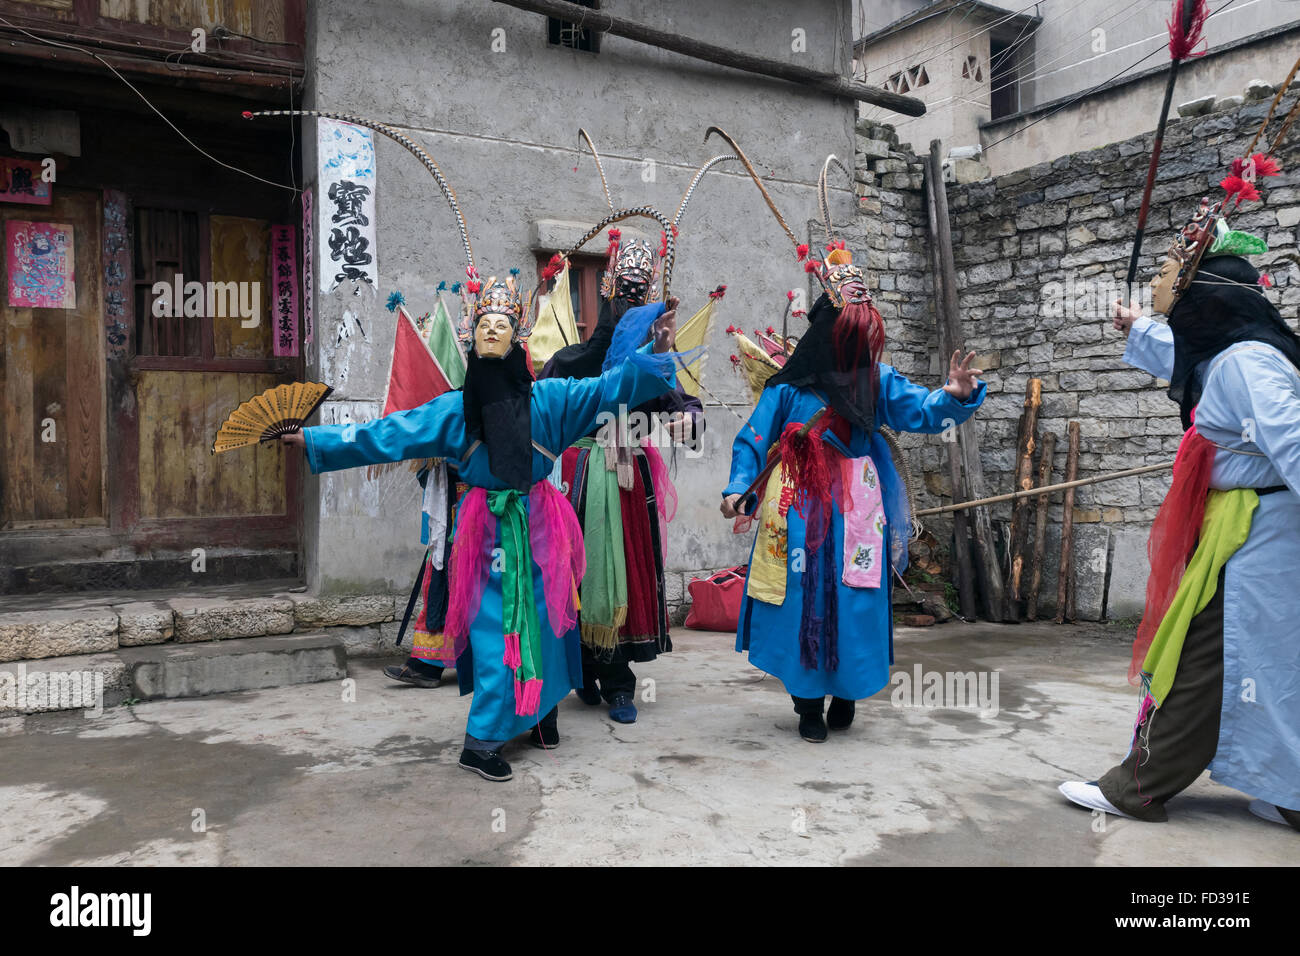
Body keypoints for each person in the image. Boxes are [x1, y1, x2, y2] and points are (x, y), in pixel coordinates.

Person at [284, 274, 682, 781]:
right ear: (473, 339)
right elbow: (386, 435)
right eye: (484, 327)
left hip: (541, 525)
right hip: (487, 532)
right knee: (499, 632)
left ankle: (539, 714)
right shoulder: (455, 410)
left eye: (503, 326)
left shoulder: (551, 400)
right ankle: (482, 741)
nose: (492, 335)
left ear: (518, 339)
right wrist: (315, 442)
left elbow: (612, 386)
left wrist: (654, 348)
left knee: (548, 625)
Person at [1060, 196, 1300, 830]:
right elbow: (1189, 364)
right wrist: (1138, 326)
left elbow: (1294, 441)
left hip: (1256, 534)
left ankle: (1140, 785)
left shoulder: (1247, 364)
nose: (1163, 283)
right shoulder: (1228, 354)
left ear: (1203, 294)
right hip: (1251, 526)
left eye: (1173, 278)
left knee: (1202, 654)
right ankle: (1290, 792)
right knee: (1267, 659)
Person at [720, 245, 984, 741]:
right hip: (797, 504)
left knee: (853, 594)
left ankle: (845, 693)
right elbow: (754, 440)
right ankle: (805, 703)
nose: (861, 341)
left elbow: (921, 411)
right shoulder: (789, 389)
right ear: (828, 331)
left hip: (856, 507)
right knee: (798, 595)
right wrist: (739, 489)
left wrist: (954, 396)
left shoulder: (876, 381)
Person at [541, 236, 703, 724]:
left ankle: (617, 682)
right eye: (623, 298)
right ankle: (582, 668)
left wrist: (689, 421)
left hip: (629, 480)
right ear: (608, 297)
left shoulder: (651, 364)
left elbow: (687, 408)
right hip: (575, 479)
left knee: (622, 576)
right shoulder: (568, 361)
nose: (629, 308)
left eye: (639, 299)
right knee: (575, 574)